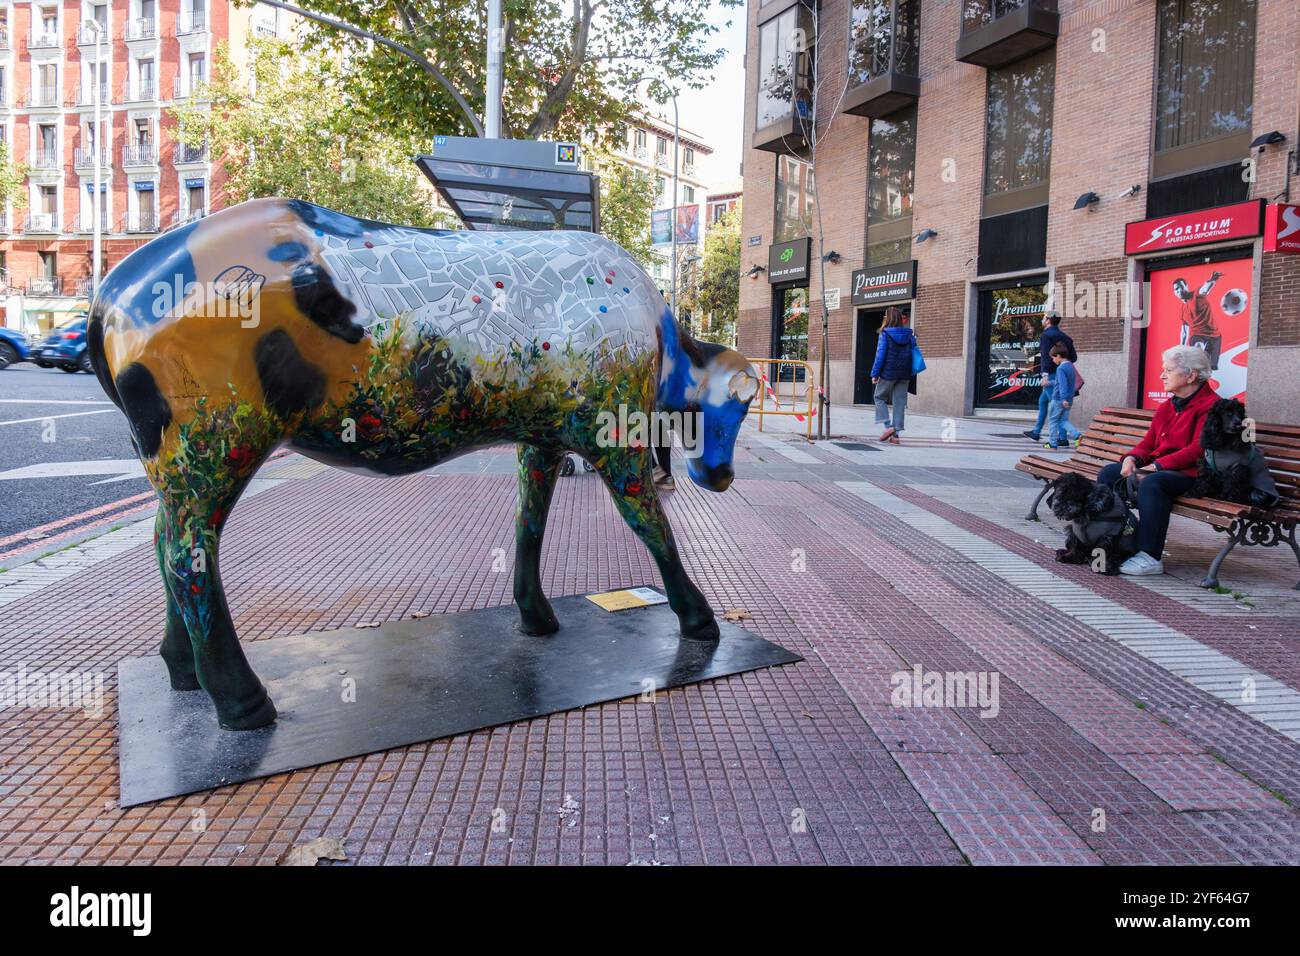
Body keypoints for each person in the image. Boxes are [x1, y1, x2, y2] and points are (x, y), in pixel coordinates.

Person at [1096, 345, 1219, 576]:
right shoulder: (1167, 406)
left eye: (1168, 370)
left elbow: (1198, 450)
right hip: (1164, 471)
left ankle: (1149, 555)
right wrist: (1131, 458)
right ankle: (1111, 542)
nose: (1162, 375)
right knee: (1109, 474)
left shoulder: (1212, 407)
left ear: (1191, 375)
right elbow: (1149, 443)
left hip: (1196, 475)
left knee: (1153, 483)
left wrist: (1155, 467)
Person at [1024, 311, 1076, 441]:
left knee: (1056, 408)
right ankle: (1036, 431)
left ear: (1048, 321)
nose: (1042, 320)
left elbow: (1046, 357)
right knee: (1043, 401)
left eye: (1043, 318)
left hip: (1052, 376)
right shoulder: (1066, 337)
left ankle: (1063, 438)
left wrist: (1045, 375)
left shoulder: (1046, 335)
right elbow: (1074, 357)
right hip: (1061, 373)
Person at [871, 307, 915, 444]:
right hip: (905, 373)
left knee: (878, 397)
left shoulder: (885, 334)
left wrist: (875, 373)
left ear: (887, 318)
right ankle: (895, 437)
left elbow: (880, 355)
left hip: (888, 372)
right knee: (899, 403)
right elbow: (914, 353)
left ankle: (888, 427)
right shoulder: (910, 334)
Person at [1173, 271, 1223, 369]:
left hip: (1215, 336)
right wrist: (1181, 348)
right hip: (1197, 336)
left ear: (1186, 286)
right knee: (1198, 348)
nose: (1179, 290)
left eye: (1181, 287)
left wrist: (1212, 280)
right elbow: (1184, 332)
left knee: (1211, 368)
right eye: (1176, 289)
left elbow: (1204, 289)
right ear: (1174, 292)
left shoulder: (1196, 295)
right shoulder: (1183, 310)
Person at [1044, 343, 1081, 449]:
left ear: (1059, 356)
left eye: (1053, 357)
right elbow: (1059, 382)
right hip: (1069, 399)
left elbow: (1062, 385)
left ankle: (1052, 443)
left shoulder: (1060, 368)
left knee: (1053, 420)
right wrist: (1049, 383)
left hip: (1059, 399)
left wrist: (1063, 398)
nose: (1053, 360)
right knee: (1063, 420)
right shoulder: (1070, 366)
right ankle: (1077, 436)